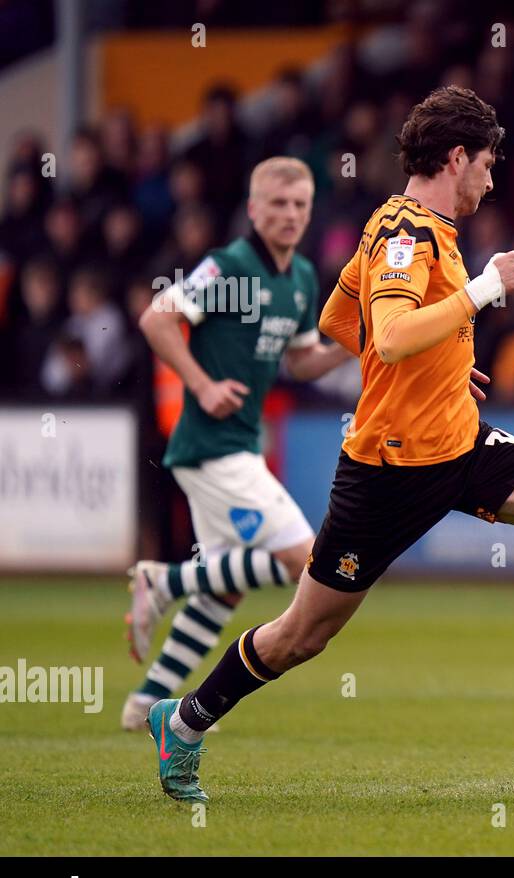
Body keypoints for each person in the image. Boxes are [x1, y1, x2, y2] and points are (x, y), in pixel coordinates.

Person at [144, 86, 514, 803]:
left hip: (460, 442)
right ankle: (185, 720)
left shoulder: (414, 229)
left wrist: (444, 360)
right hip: (389, 472)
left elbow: (340, 320)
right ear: (456, 158)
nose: (491, 180)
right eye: (486, 165)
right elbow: (387, 337)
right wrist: (481, 292)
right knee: (302, 635)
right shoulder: (406, 235)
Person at [122, 157, 353, 731]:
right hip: (211, 445)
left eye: (300, 204)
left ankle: (145, 700)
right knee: (309, 562)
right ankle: (165, 579)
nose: (291, 214)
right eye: (278, 203)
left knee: (224, 590)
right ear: (253, 209)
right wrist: (200, 385)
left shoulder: (299, 276)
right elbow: (156, 320)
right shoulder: (228, 266)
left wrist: (357, 345)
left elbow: (300, 359)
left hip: (237, 446)